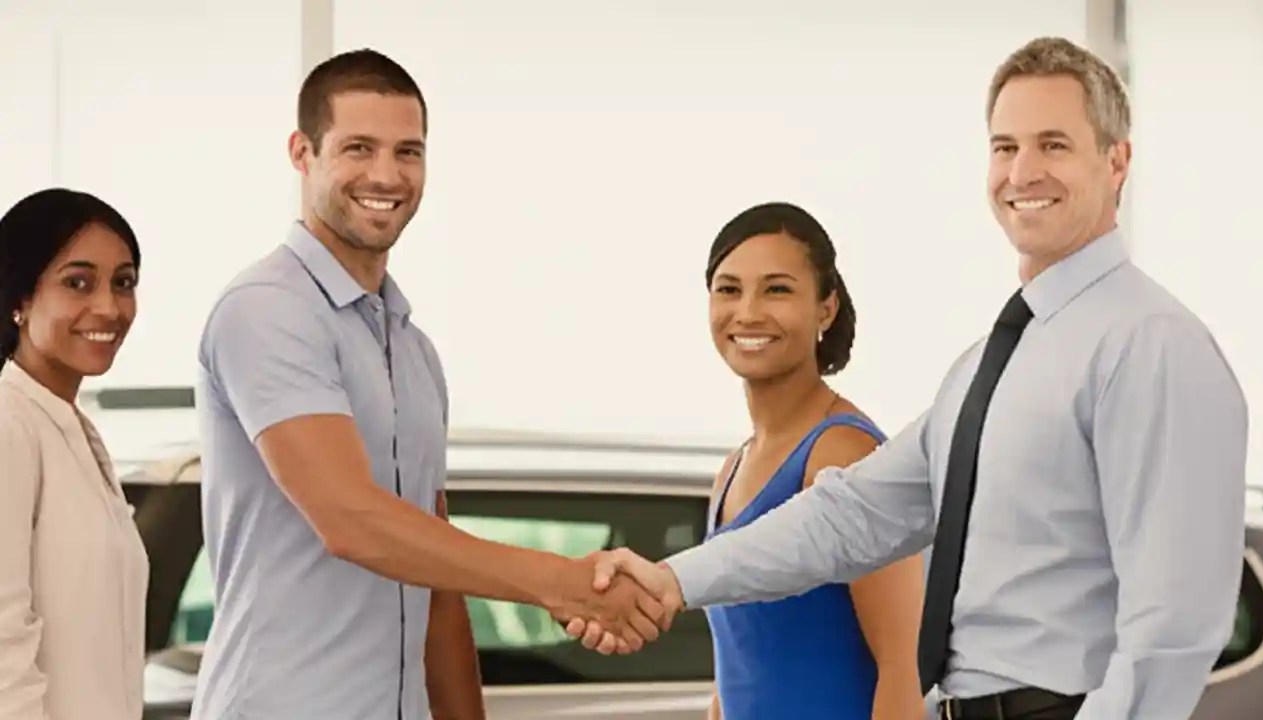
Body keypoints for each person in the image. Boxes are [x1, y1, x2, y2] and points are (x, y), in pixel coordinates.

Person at [571, 36, 1248, 720]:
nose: (1023, 172)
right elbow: (851, 516)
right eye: (1005, 147)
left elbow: (1172, 627)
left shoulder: (1150, 344)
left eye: (1054, 145)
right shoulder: (991, 364)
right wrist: (670, 579)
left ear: (1117, 160)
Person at [191, 49, 667, 720]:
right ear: (302, 153)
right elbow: (352, 521)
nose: (386, 175)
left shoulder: (414, 351)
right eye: (359, 147)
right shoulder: (267, 310)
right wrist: (560, 583)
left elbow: (437, 578)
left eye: (407, 152)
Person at [694, 201, 924, 720]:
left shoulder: (845, 456)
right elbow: (738, 675)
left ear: (826, 307)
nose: (748, 311)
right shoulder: (732, 468)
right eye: (729, 289)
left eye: (777, 289)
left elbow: (905, 669)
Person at [0, 188, 148, 720]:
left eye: (123, 282)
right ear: (19, 297)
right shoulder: (9, 426)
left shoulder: (73, 429)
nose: (108, 306)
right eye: (77, 282)